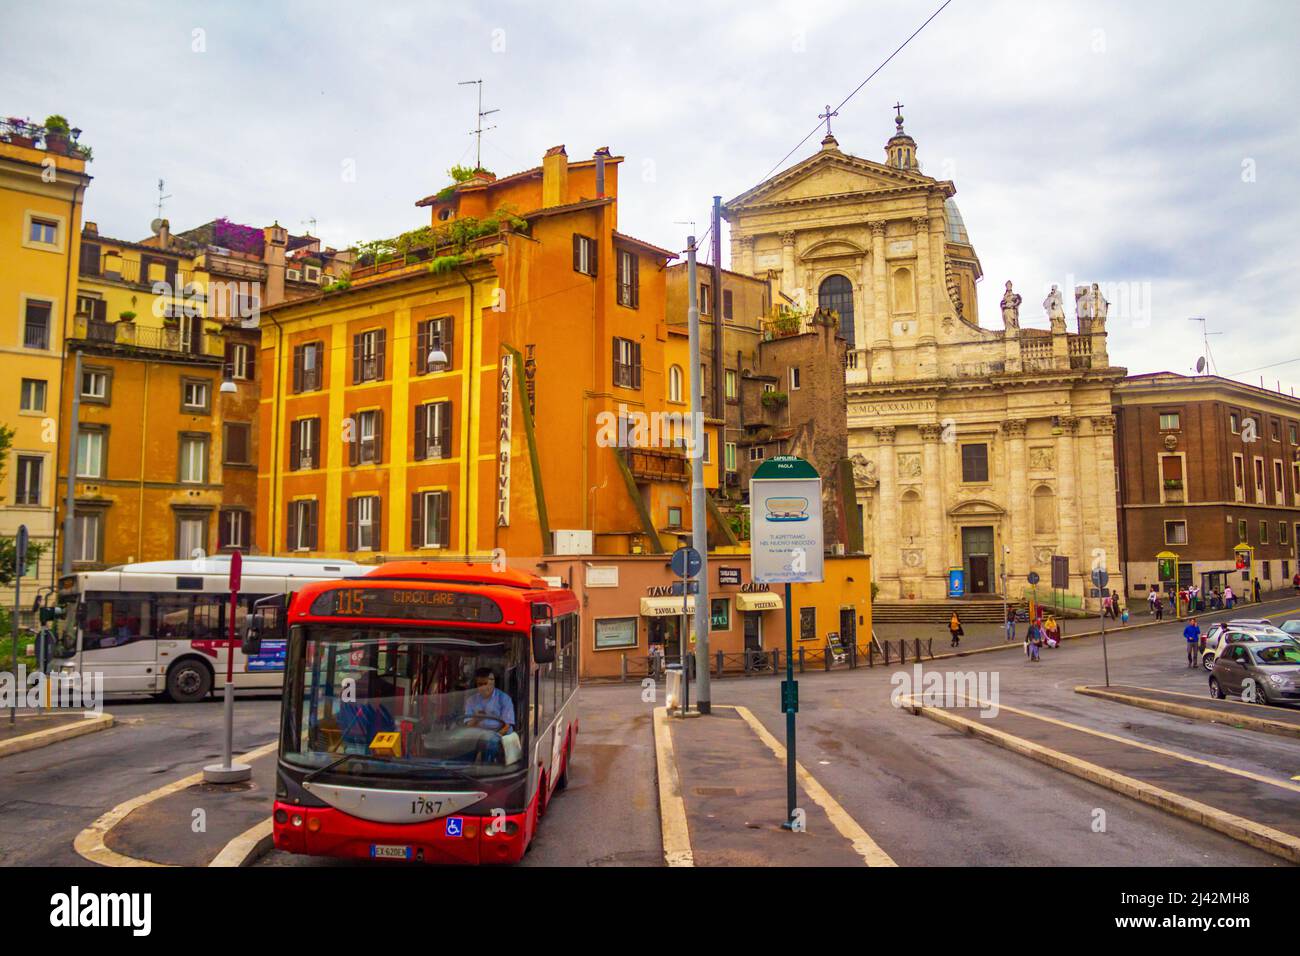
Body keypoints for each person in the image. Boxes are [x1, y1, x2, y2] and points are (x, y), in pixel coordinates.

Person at [464, 668, 516, 762]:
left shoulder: (504, 699)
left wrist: (493, 736)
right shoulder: (471, 700)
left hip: (500, 734)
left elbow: (507, 726)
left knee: (490, 745)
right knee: (464, 746)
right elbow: (468, 725)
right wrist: (476, 719)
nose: (484, 687)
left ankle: (487, 772)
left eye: (486, 683)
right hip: (478, 734)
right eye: (480, 684)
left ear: (492, 684)